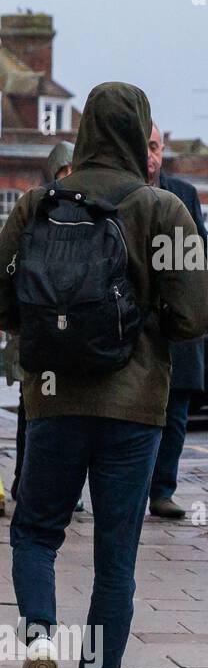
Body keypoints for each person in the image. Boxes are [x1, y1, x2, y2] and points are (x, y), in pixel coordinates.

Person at [0, 83, 208, 668]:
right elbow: (194, 316)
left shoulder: (36, 205)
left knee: (36, 531)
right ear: (138, 133)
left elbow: (5, 304)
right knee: (115, 555)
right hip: (134, 407)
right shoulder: (161, 210)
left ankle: (39, 640)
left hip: (53, 401)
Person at [3, 141, 74, 514]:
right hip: (32, 330)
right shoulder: (35, 208)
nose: (67, 178)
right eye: (62, 172)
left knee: (53, 412)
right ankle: (23, 481)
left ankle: (49, 487)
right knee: (31, 409)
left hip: (55, 331)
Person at [145, 123, 208, 519]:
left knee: (175, 415)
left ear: (163, 148)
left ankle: (162, 491)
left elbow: (199, 257)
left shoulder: (184, 195)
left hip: (177, 324)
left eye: (154, 146)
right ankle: (136, 490)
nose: (149, 155)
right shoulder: (119, 195)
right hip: (136, 326)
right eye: (142, 147)